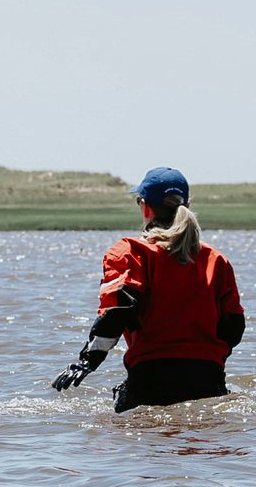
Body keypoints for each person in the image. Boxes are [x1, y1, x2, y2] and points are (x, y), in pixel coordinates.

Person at [52, 167, 244, 412]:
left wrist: (86, 363)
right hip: (209, 379)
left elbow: (117, 312)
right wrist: (205, 360)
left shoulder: (131, 253)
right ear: (187, 205)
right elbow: (234, 328)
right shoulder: (216, 260)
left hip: (150, 380)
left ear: (144, 206)